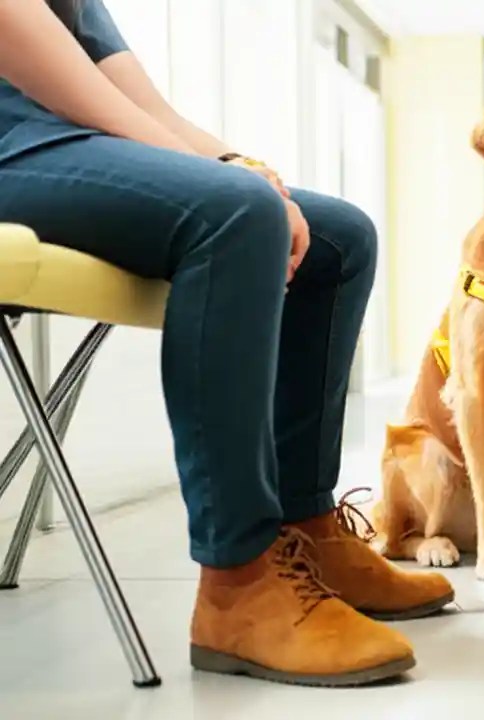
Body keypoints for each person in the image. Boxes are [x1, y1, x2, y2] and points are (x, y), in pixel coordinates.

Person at [0, 0, 455, 687]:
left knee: (338, 239)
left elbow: (142, 102)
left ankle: (305, 533)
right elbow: (24, 47)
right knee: (236, 213)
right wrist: (229, 184)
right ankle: (238, 582)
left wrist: (239, 162)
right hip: (14, 151)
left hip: (62, 149)